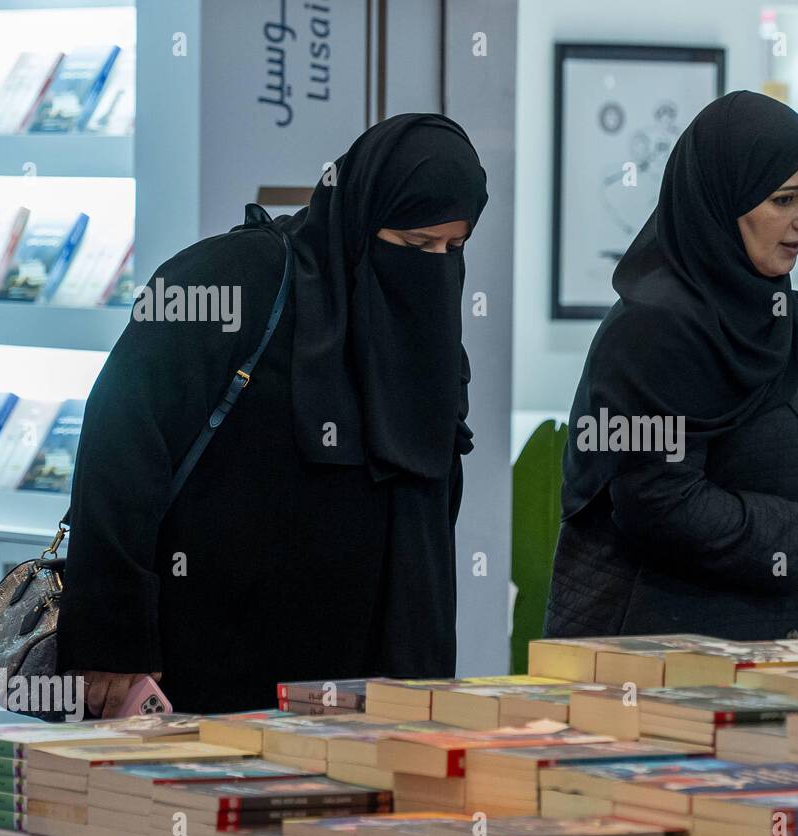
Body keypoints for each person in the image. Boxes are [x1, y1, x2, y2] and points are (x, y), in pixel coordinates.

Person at [57, 114, 489, 715]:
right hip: (205, 675)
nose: (436, 264)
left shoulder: (429, 332)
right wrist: (112, 635)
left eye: (454, 247)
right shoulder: (229, 283)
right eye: (416, 246)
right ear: (363, 217)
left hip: (372, 695)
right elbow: (118, 446)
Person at [544, 91, 798, 641]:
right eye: (783, 199)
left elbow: (769, 455)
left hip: (760, 654)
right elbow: (655, 500)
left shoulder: (775, 317)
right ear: (722, 201)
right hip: (658, 664)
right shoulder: (652, 328)